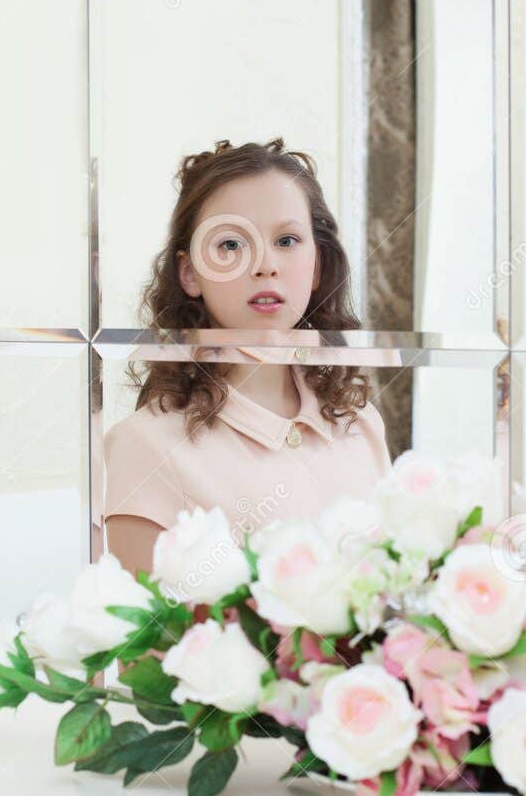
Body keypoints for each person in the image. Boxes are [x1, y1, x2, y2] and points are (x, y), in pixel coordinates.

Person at [103, 138, 392, 579]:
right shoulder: (145, 445)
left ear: (316, 268)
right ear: (189, 274)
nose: (264, 265)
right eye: (232, 244)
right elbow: (145, 641)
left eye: (287, 240)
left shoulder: (361, 423)